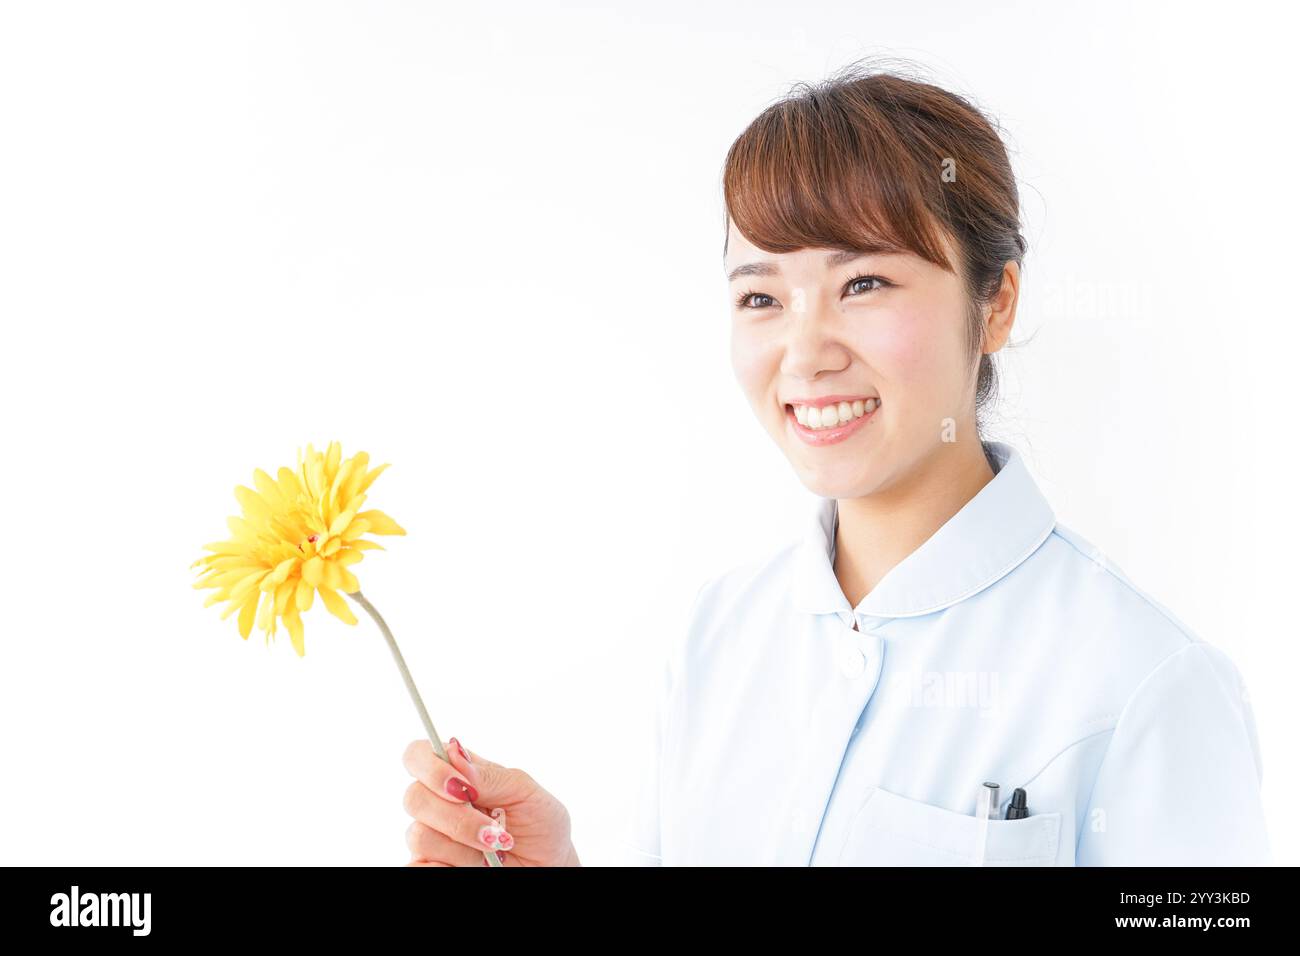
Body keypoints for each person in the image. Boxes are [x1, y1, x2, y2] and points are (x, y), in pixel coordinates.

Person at [398, 61, 1271, 867]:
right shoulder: (719, 636)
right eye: (762, 297)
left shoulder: (1150, 684)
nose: (805, 353)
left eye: (864, 285)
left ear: (995, 303)